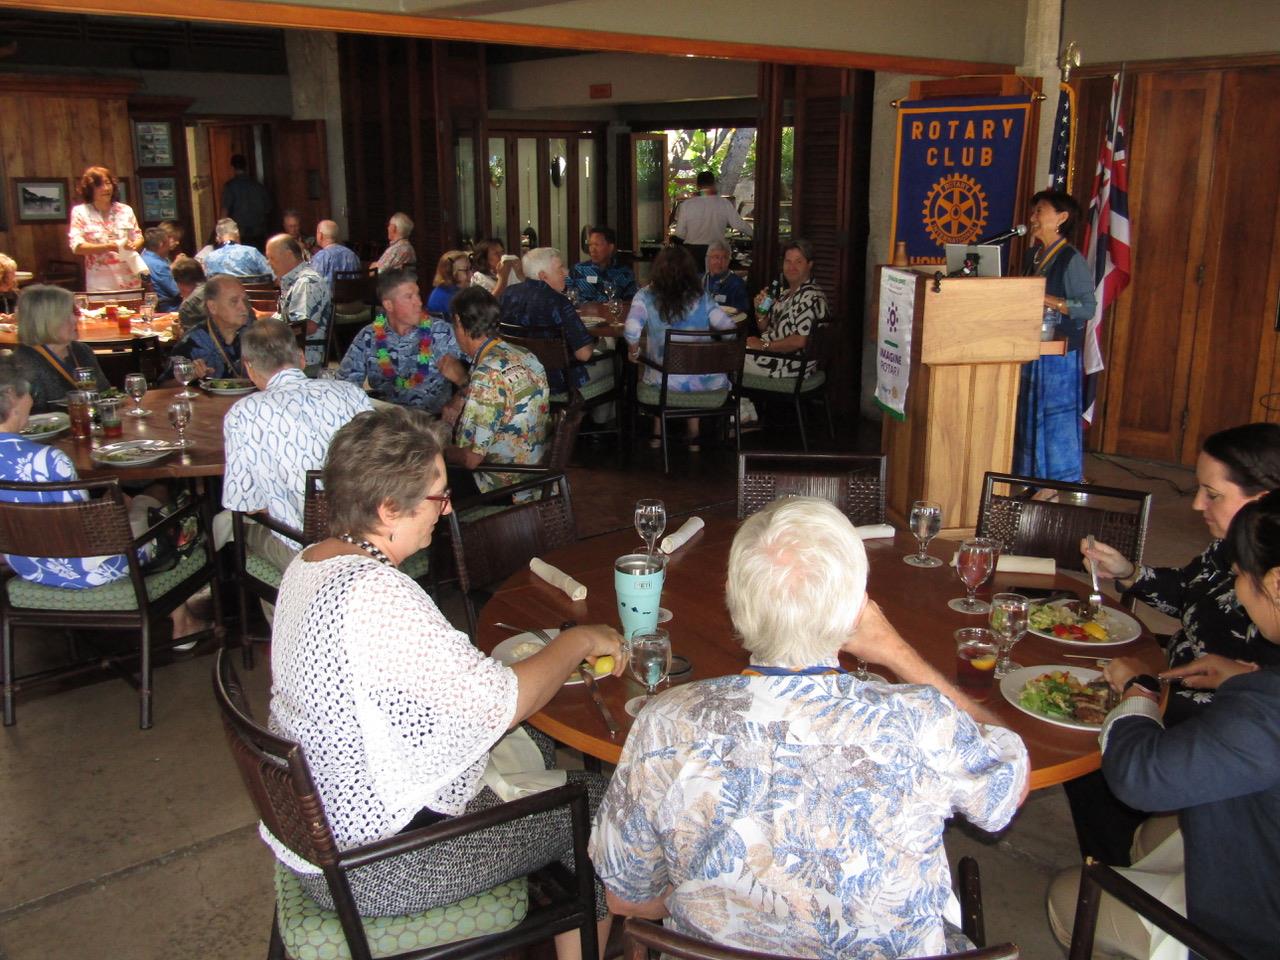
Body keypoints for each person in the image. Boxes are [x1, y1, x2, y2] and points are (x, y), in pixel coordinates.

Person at [590, 496, 1029, 960]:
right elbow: (1008, 788)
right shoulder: (921, 721)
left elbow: (625, 898)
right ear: (858, 609)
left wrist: (713, 897)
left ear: (734, 599)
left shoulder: (664, 723)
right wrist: (897, 652)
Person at [266, 404, 623, 959]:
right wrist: (577, 641)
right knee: (605, 807)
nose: (447, 507)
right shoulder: (377, 594)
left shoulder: (311, 561)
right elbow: (500, 700)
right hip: (378, 869)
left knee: (535, 742)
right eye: (438, 496)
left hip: (321, 836)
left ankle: (557, 894)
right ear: (389, 508)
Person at [1046, 491, 1280, 960]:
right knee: (1154, 839)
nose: (1236, 589)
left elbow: (1140, 778)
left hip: (1244, 934)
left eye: (1239, 576)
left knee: (1069, 894)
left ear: (1276, 584)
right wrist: (1241, 677)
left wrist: (1139, 692)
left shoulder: (1263, 713)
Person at [1062, 423, 1280, 866]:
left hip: (1207, 716)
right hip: (1192, 681)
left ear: (1262, 499)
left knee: (1087, 738)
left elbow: (1253, 720)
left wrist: (1141, 693)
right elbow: (1190, 593)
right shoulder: (1230, 548)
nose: (1197, 504)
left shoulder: (1261, 708)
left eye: (1212, 494)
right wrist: (1129, 573)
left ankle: (1116, 871)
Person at [0, 355, 207, 637]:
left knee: (143, 507)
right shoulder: (47, 460)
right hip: (89, 569)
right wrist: (113, 508)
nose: (32, 400)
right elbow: (84, 531)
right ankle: (184, 623)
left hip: (26, 565)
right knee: (180, 519)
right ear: (12, 398)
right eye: (30, 393)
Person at [221, 317, 371, 580]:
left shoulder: (244, 413)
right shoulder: (352, 393)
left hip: (305, 547)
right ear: (301, 358)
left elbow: (246, 503)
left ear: (249, 368)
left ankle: (282, 601)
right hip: (368, 537)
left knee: (229, 528)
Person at [1012, 189, 1097, 482]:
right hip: (1031, 346)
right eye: (1033, 211)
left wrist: (1047, 299)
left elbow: (1087, 308)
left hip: (1058, 356)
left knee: (1053, 421)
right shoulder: (1033, 255)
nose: (1033, 217)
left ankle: (1054, 484)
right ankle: (1031, 479)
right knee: (1029, 418)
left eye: (1040, 211)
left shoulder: (1071, 259)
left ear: (1061, 218)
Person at [624, 244, 735, 450]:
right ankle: (694, 433)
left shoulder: (645, 295)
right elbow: (729, 329)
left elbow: (631, 331)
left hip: (663, 382)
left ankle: (658, 434)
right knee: (693, 366)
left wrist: (634, 352)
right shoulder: (701, 296)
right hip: (706, 382)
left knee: (655, 366)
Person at [446, 287, 550, 495]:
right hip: (536, 470)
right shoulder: (523, 354)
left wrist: (440, 449)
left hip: (505, 485)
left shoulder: (487, 373)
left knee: (425, 474)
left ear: (458, 321)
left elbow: (471, 459)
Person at [339, 268, 466, 413]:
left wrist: (461, 393)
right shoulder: (368, 336)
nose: (419, 302)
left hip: (431, 420)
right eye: (409, 297)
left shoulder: (441, 332)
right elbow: (345, 385)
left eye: (418, 295)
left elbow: (483, 369)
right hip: (385, 419)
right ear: (389, 305)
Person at [500, 247, 596, 394]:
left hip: (518, 379)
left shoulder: (508, 294)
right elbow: (584, 355)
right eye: (560, 268)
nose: (566, 273)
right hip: (557, 382)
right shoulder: (558, 301)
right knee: (614, 362)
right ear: (543, 275)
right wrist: (594, 342)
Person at [12, 285, 109, 412]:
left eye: (74, 312)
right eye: (66, 315)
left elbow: (105, 394)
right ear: (45, 321)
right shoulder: (22, 364)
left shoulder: (82, 351)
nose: (76, 318)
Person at [67, 165, 144, 293]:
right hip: (100, 283)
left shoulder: (125, 210)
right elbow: (77, 247)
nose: (106, 188)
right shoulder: (80, 212)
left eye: (108, 183)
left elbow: (139, 237)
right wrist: (109, 247)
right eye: (99, 185)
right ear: (89, 189)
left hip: (130, 280)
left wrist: (134, 245)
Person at [266, 233, 332, 367]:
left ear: (288, 255)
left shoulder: (307, 282)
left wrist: (267, 329)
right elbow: (291, 318)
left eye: (271, 258)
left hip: (303, 360)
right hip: (289, 354)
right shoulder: (295, 281)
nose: (268, 263)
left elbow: (306, 327)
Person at [169, 275, 251, 380]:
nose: (244, 308)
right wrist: (189, 375)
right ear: (213, 307)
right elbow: (165, 385)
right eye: (234, 301)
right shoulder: (193, 341)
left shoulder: (256, 334)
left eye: (245, 300)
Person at [672, 170, 752, 266]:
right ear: (714, 184)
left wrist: (692, 237)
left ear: (697, 186)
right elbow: (739, 224)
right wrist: (754, 235)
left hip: (693, 253)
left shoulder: (686, 205)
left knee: (695, 275)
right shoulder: (724, 203)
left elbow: (679, 233)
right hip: (716, 253)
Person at [568, 227, 636, 303]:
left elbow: (631, 302)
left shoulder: (624, 273)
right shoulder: (578, 270)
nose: (592, 250)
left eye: (597, 245)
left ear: (610, 247)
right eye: (590, 245)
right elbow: (567, 296)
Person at [220, 154, 271, 251]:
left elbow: (224, 211)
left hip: (239, 234)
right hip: (258, 233)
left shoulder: (230, 187)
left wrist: (221, 231)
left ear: (233, 168)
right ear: (246, 166)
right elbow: (267, 209)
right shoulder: (258, 186)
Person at [204, 219, 272, 279]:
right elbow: (273, 277)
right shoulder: (252, 252)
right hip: (250, 290)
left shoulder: (210, 258)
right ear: (237, 233)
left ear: (218, 238)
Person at [308, 219, 362, 292]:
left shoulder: (321, 257)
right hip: (353, 297)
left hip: (329, 298)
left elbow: (312, 285)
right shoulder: (352, 254)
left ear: (320, 235)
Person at [701, 240, 749, 314]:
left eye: (724, 258)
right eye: (716, 257)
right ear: (708, 259)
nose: (719, 262)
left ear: (729, 261)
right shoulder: (700, 280)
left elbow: (742, 311)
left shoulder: (736, 284)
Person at [140, 227, 181, 311]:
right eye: (168, 242)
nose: (169, 246)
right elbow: (177, 291)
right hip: (169, 308)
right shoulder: (159, 265)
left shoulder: (142, 257)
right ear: (161, 244)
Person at [426, 249, 471, 318]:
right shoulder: (452, 297)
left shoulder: (444, 290)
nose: (471, 274)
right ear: (450, 273)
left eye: (470, 269)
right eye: (466, 270)